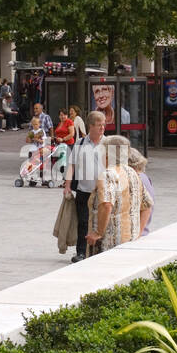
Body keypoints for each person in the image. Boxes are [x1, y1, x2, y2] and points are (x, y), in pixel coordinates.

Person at [85, 135, 153, 252]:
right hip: (129, 242)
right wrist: (138, 233)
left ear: (107, 154)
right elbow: (147, 205)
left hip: (108, 246)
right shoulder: (132, 172)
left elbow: (106, 205)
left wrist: (98, 233)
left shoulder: (108, 174)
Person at [64, 109, 106, 264]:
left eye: (103, 125)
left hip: (102, 191)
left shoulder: (109, 143)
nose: (102, 128)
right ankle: (81, 252)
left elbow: (116, 168)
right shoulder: (80, 143)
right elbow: (71, 166)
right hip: (83, 190)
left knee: (102, 221)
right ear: (90, 126)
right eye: (99, 125)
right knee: (83, 222)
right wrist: (67, 185)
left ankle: (100, 250)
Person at [128, 145, 155, 233]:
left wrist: (138, 233)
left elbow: (147, 207)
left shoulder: (137, 179)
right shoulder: (144, 177)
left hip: (135, 232)